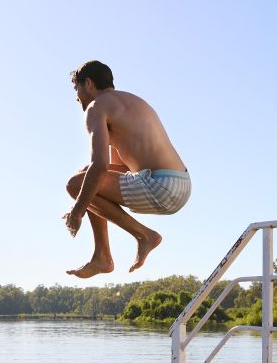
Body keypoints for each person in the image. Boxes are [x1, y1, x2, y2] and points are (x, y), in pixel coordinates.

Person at [64, 60, 190, 278]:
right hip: (181, 184)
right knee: (87, 177)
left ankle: (144, 236)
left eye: (78, 92)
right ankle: (102, 256)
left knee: (76, 184)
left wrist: (77, 211)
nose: (78, 100)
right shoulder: (132, 102)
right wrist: (86, 199)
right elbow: (120, 167)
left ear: (89, 84)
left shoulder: (96, 108)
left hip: (161, 186)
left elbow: (100, 166)